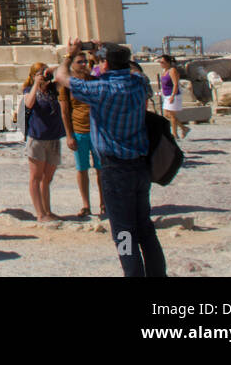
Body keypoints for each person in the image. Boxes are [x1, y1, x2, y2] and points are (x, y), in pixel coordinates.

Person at [54, 41, 167, 278]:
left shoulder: (101, 91)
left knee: (123, 233)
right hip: (140, 166)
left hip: (115, 170)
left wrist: (71, 54)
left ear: (104, 64)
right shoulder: (138, 84)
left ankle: (132, 273)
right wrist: (108, 54)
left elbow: (62, 76)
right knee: (145, 228)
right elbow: (136, 72)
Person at [59, 49, 105, 218]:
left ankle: (104, 203)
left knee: (101, 170)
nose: (84, 64)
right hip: (79, 132)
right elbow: (65, 112)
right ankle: (86, 205)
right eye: (80, 62)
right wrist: (69, 135)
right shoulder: (67, 86)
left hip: (97, 131)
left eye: (85, 61)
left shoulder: (94, 81)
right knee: (82, 169)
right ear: (72, 65)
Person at [22, 61, 65, 223]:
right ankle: (40, 214)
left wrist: (50, 69)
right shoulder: (28, 90)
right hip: (37, 138)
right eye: (40, 73)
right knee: (36, 177)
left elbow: (63, 72)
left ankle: (48, 211)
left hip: (54, 137)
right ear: (33, 76)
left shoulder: (54, 89)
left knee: (47, 178)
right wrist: (36, 84)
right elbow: (28, 104)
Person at [157, 54, 189, 140]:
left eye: (162, 62)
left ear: (167, 62)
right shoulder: (164, 71)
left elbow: (175, 84)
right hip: (166, 95)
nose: (161, 63)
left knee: (172, 115)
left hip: (173, 95)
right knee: (167, 114)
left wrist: (173, 95)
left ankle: (174, 134)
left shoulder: (172, 71)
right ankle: (184, 128)